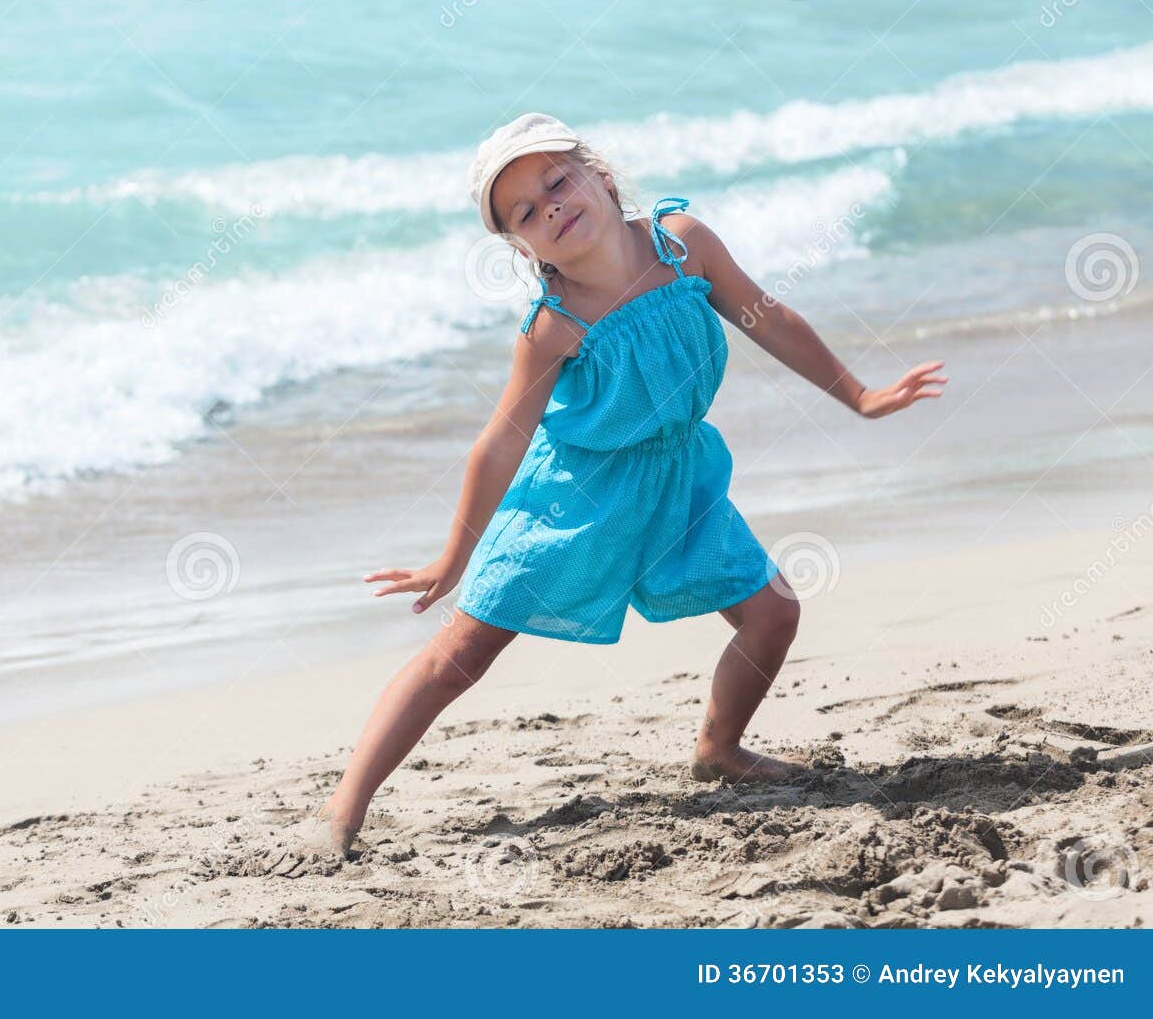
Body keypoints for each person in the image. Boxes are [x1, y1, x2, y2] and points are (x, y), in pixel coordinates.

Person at [315, 113, 946, 857]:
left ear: (601, 176)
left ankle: (721, 750)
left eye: (557, 180)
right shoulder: (553, 325)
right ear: (521, 246)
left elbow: (767, 319)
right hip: (575, 500)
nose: (549, 205)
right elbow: (500, 443)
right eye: (525, 211)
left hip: (678, 481)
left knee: (773, 612)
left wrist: (862, 395)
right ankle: (342, 810)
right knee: (462, 652)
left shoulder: (684, 245)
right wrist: (452, 557)